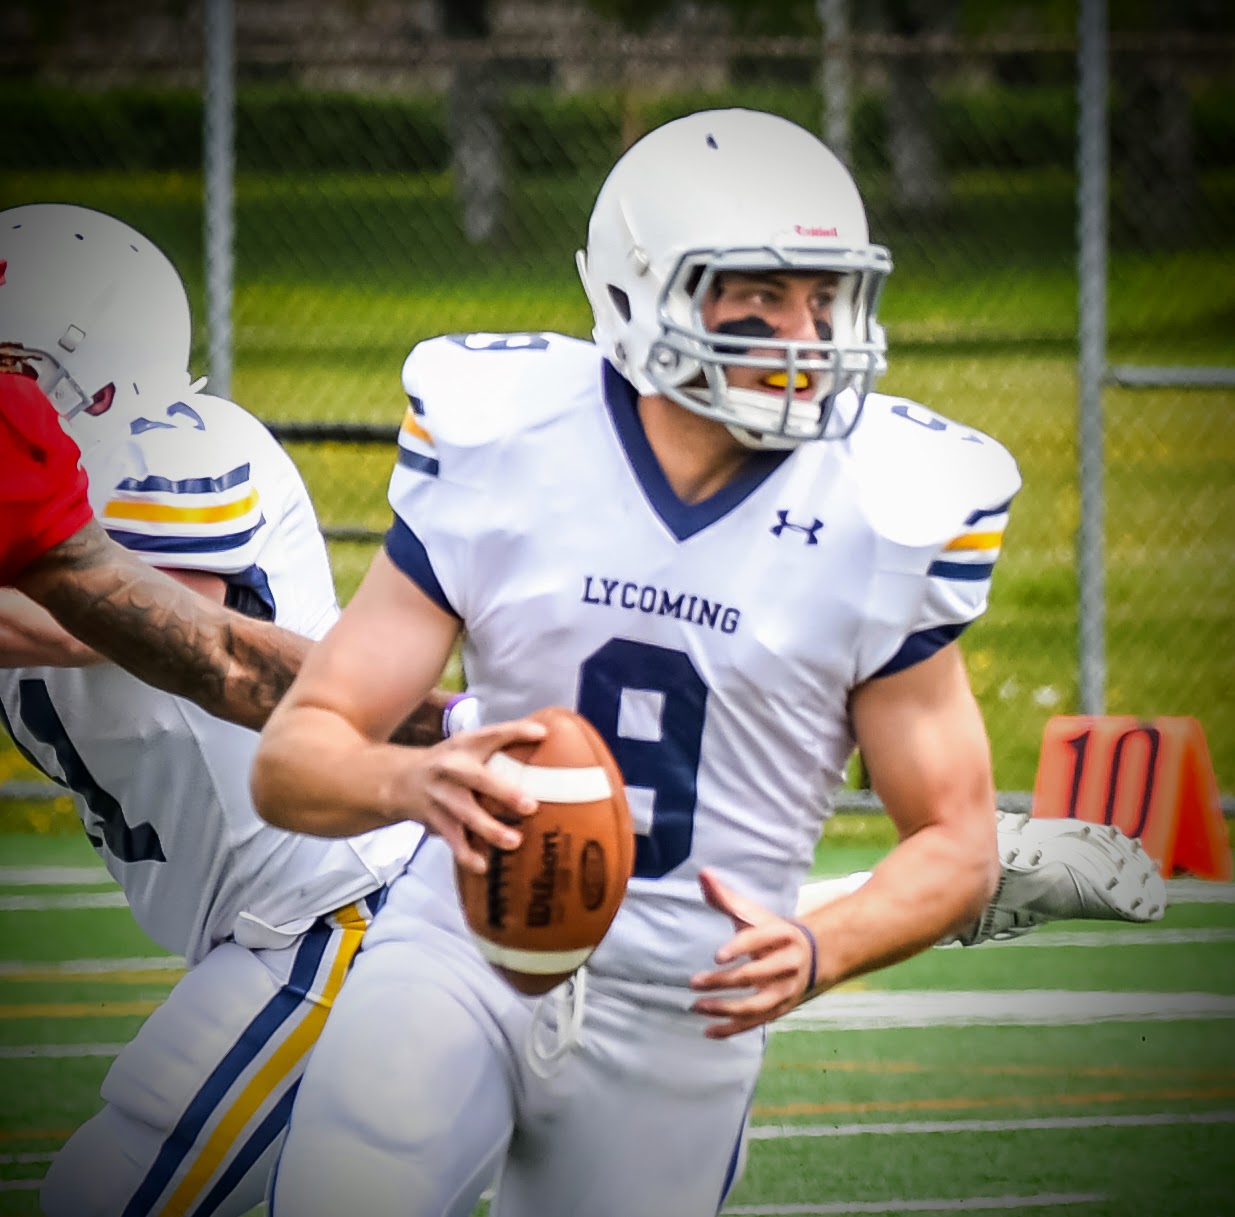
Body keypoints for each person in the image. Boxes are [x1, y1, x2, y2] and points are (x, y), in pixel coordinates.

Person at [248, 109, 1164, 1217]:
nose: (804, 333)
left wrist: (819, 945)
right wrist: (410, 780)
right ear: (637, 295)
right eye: (759, 298)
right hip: (459, 946)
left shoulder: (882, 503)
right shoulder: (507, 439)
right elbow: (296, 755)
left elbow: (958, 840)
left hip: (692, 1002)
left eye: (823, 298)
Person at [0, 203, 506, 1217]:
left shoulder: (177, 452)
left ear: (99, 371)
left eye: (17, 364)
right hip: (275, 922)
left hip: (340, 909)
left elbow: (104, 620)